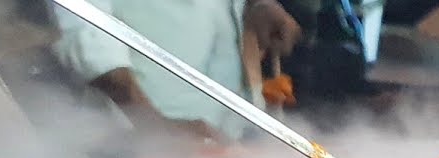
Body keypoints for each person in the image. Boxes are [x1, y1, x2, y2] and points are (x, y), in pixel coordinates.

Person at [50, 0, 302, 140]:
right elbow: (87, 32)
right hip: (143, 140)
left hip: (237, 126)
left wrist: (257, 5)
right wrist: (154, 126)